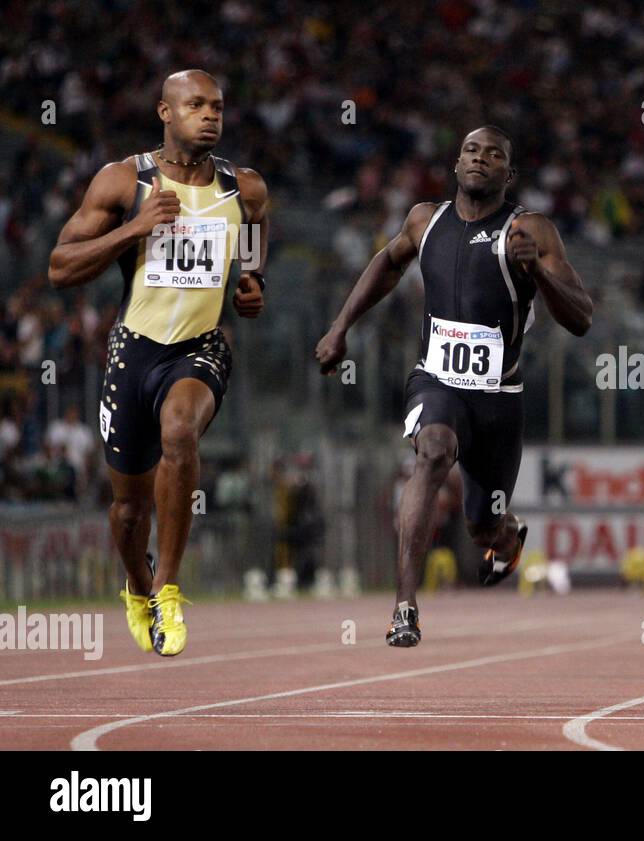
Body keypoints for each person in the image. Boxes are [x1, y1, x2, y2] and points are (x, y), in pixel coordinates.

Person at [316, 126, 592, 647]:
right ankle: (405, 605)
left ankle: (507, 539)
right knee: (433, 453)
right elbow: (388, 263)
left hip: (499, 399)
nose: (479, 159)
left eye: (493, 155)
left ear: (508, 175)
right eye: (470, 150)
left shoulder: (530, 229)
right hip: (436, 380)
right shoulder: (426, 220)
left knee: (482, 528)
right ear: (455, 163)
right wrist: (339, 327)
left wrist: (538, 271)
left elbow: (581, 318)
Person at [48, 69, 268, 656]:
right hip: (133, 351)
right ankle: (138, 585)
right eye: (196, 105)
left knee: (180, 431)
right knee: (126, 511)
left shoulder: (242, 187)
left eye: (218, 106)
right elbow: (60, 266)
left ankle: (169, 588)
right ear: (165, 113)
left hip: (199, 346)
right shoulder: (124, 181)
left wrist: (251, 279)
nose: (211, 115)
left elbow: (256, 230)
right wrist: (135, 230)